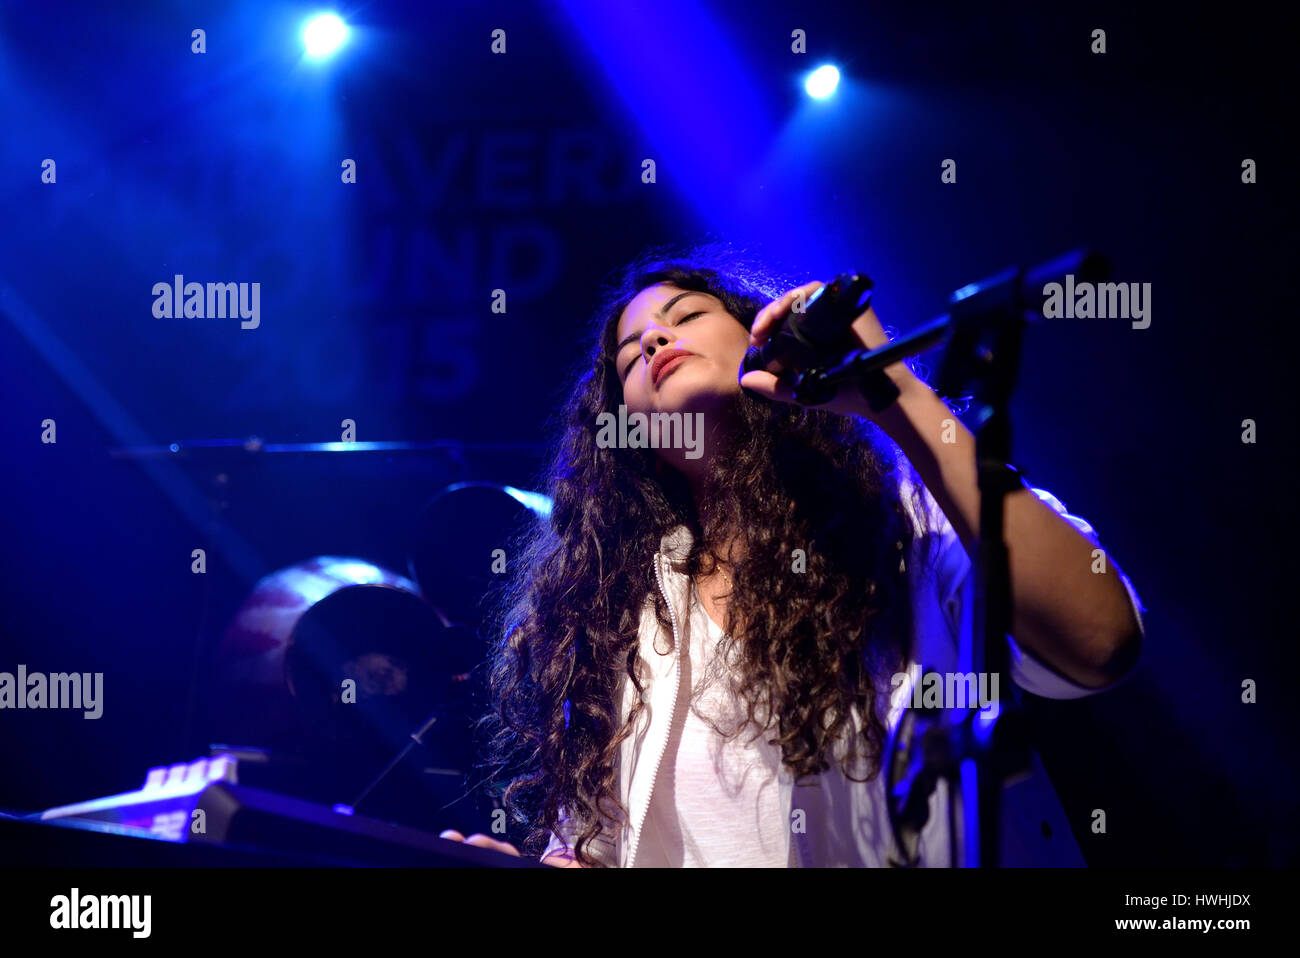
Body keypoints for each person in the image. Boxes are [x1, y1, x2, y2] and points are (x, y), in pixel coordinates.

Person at [441, 242, 1145, 867]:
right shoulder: (610, 617)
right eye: (630, 356)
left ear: (762, 336)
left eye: (686, 317)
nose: (655, 339)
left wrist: (892, 394)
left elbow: (1099, 641)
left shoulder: (905, 513)